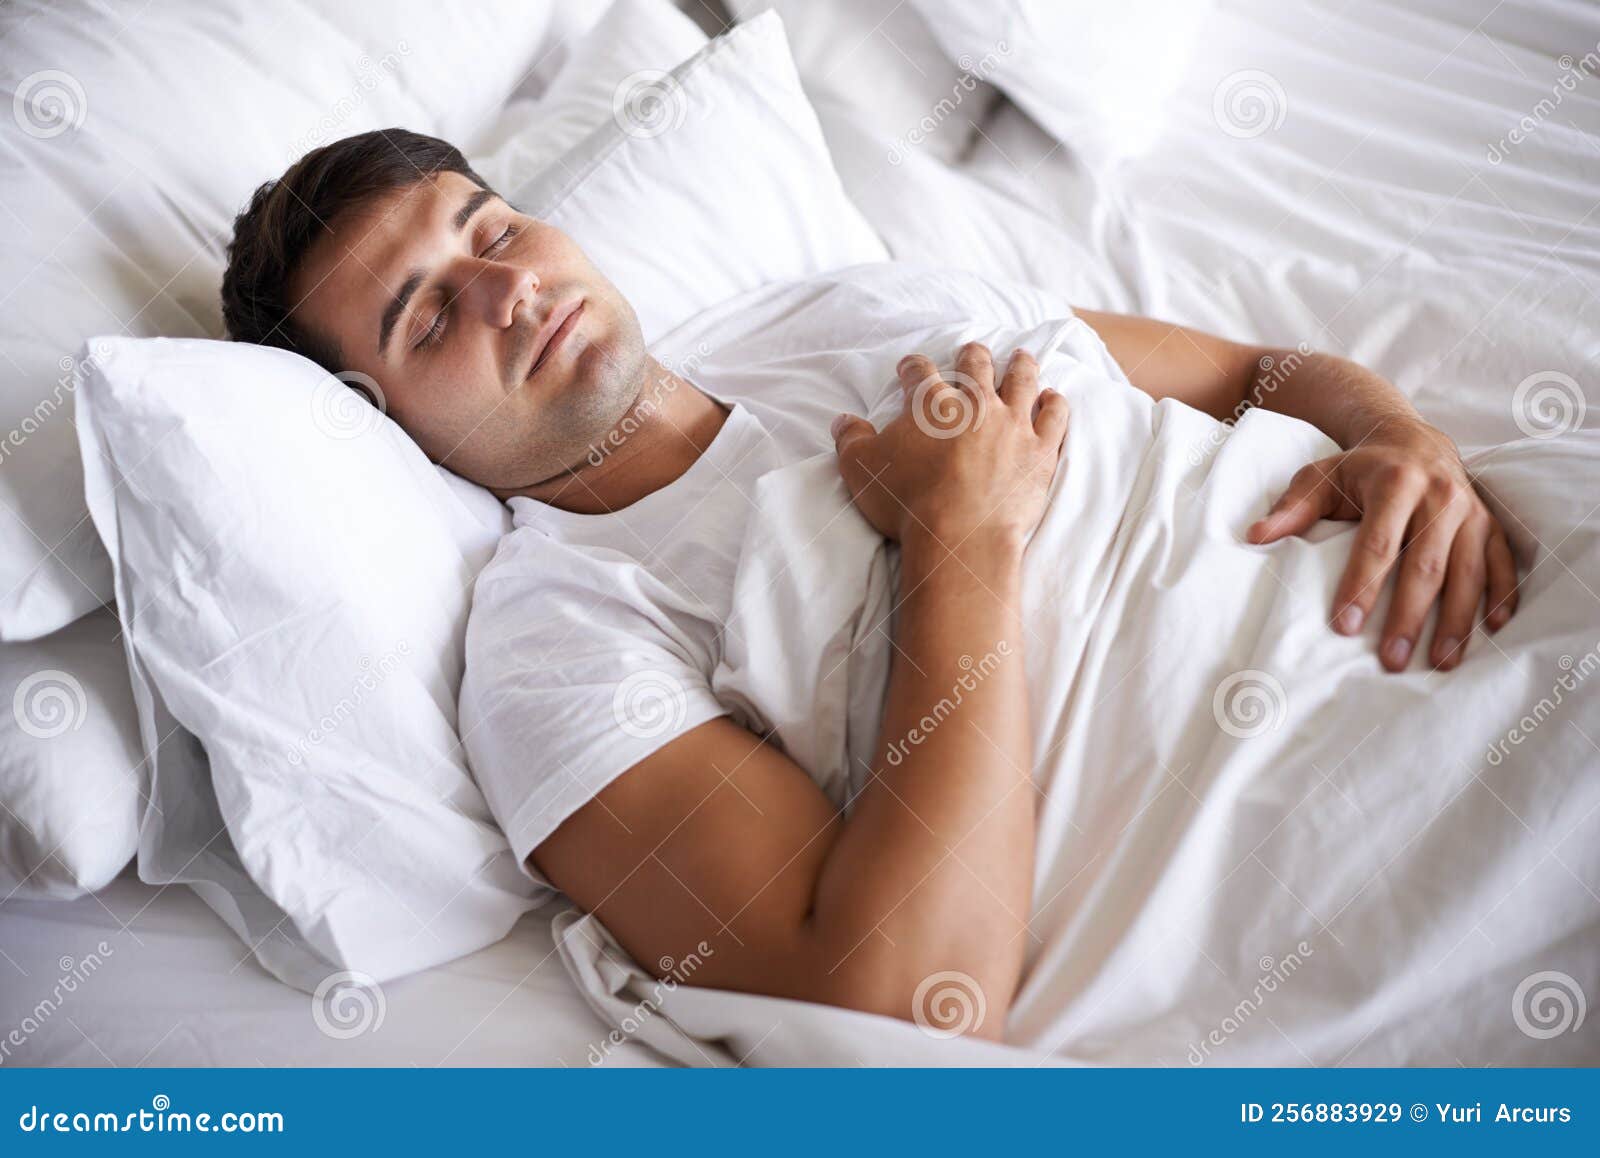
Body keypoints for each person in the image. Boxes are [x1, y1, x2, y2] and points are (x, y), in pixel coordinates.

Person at [221, 129, 1518, 1039]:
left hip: (1477, 591)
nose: (509, 289)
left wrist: (1399, 434)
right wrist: (964, 538)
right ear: (376, 428)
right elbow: (899, 1003)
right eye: (429, 318)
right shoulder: (552, 648)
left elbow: (1254, 373)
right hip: (1383, 827)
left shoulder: (837, 305)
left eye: (491, 230)